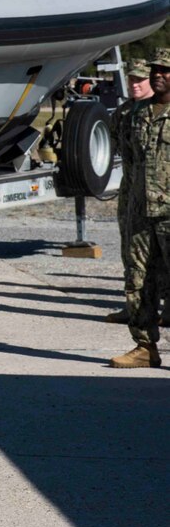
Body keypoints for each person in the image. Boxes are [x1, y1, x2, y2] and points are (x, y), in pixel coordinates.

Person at [111, 48, 170, 368]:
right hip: (140, 212)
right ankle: (145, 347)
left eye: (166, 70)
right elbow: (129, 161)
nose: (159, 74)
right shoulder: (135, 114)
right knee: (138, 280)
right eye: (156, 69)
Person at [106, 60, 156, 325]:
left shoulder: (161, 110)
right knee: (130, 250)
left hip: (159, 192)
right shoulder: (124, 112)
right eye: (131, 79)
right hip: (130, 190)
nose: (134, 84)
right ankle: (133, 307)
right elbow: (112, 145)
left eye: (140, 80)